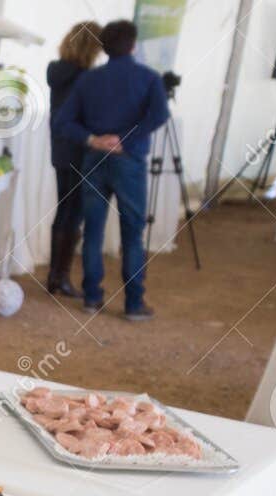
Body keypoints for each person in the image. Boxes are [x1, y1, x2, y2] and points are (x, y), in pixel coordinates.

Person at [51, 19, 170, 321]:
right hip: (129, 161)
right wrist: (126, 139)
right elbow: (159, 115)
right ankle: (133, 303)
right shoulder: (148, 78)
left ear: (103, 46)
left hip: (94, 159)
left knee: (93, 229)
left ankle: (92, 297)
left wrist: (93, 139)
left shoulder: (88, 80)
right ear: (133, 45)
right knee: (132, 233)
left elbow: (62, 122)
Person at [45, 21, 102, 297]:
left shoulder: (57, 72)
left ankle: (55, 276)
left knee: (64, 209)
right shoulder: (85, 78)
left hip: (60, 149)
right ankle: (60, 277)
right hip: (80, 150)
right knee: (74, 212)